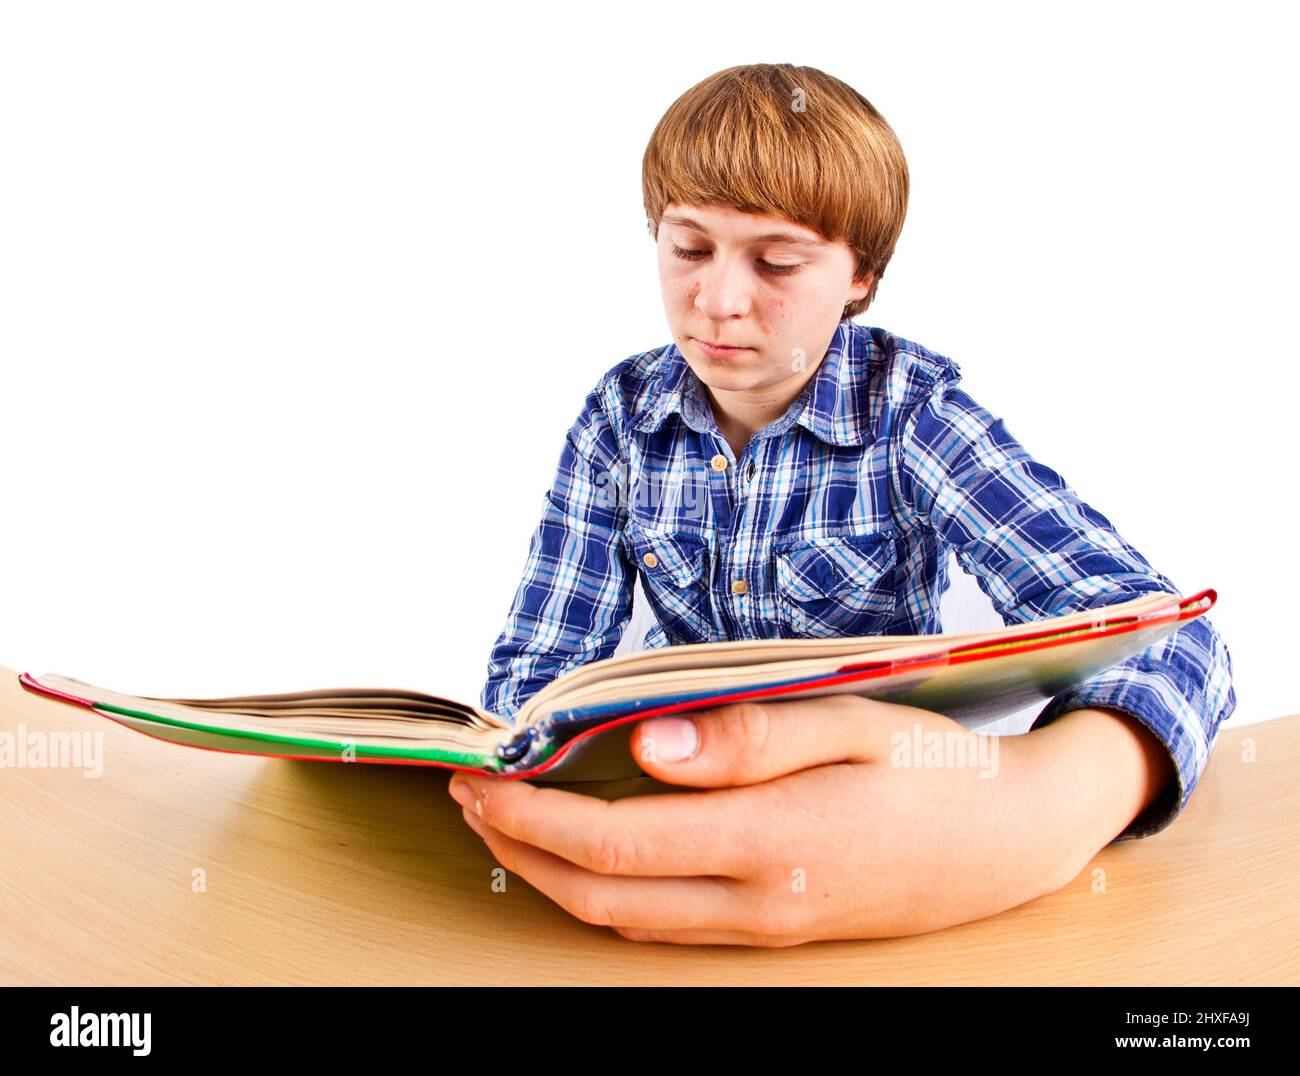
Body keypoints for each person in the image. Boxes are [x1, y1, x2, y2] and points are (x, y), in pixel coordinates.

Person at [450, 63, 1236, 946]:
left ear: (861, 276)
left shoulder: (910, 416)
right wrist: (515, 763)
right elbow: (540, 661)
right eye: (688, 247)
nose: (718, 302)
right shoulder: (619, 419)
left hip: (888, 846)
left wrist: (1042, 809)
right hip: (671, 810)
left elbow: (1169, 629)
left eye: (777, 260)